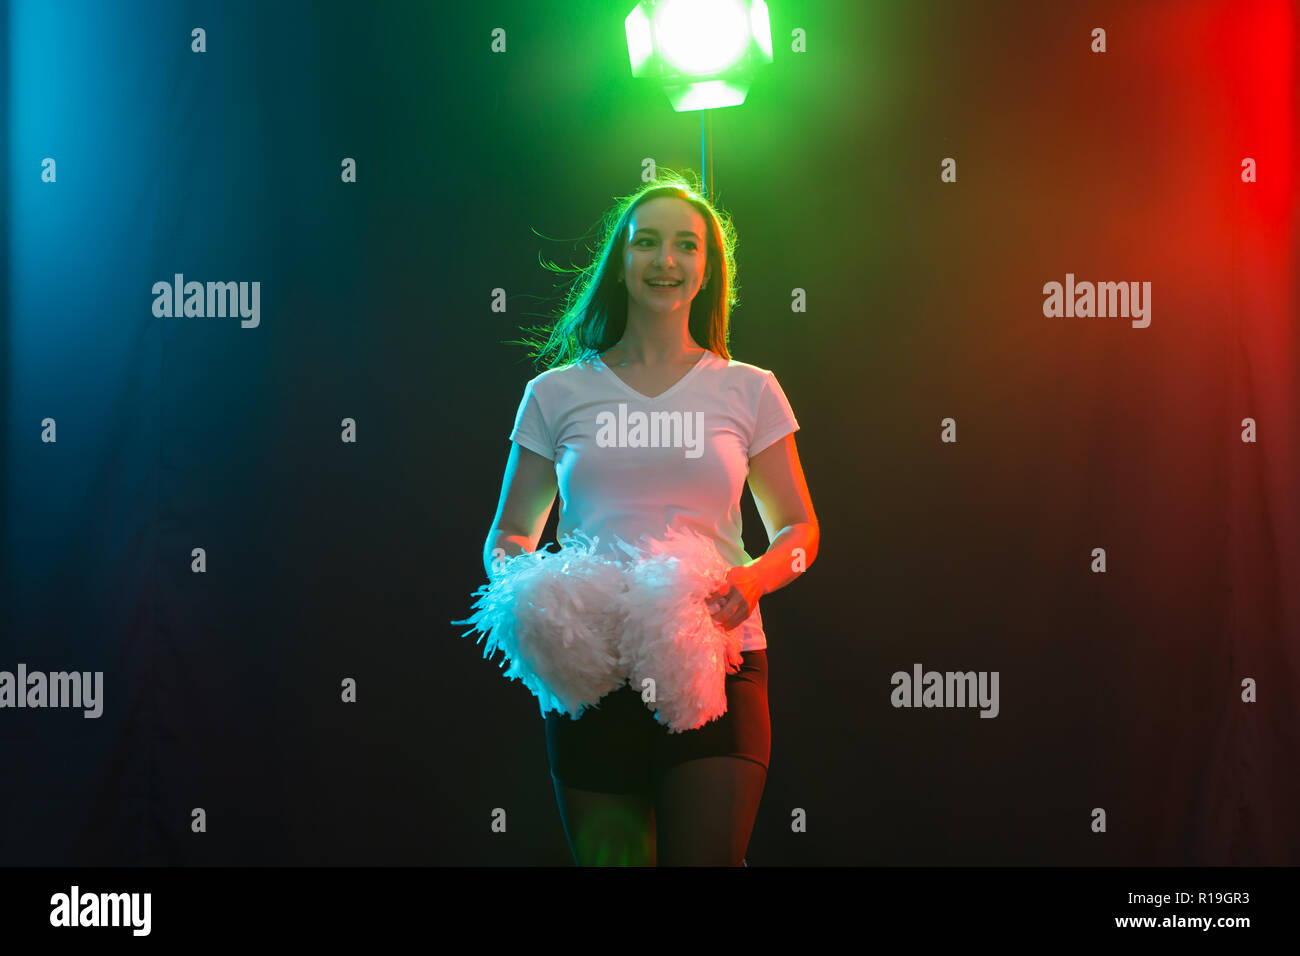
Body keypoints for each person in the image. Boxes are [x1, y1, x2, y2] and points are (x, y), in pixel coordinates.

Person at [483, 175, 819, 866]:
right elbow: (508, 537)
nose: (665, 260)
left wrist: (752, 581)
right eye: (647, 243)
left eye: (685, 245)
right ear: (621, 261)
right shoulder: (555, 394)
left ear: (706, 269)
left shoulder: (749, 389)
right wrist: (533, 598)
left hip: (717, 662)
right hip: (590, 674)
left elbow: (800, 535)